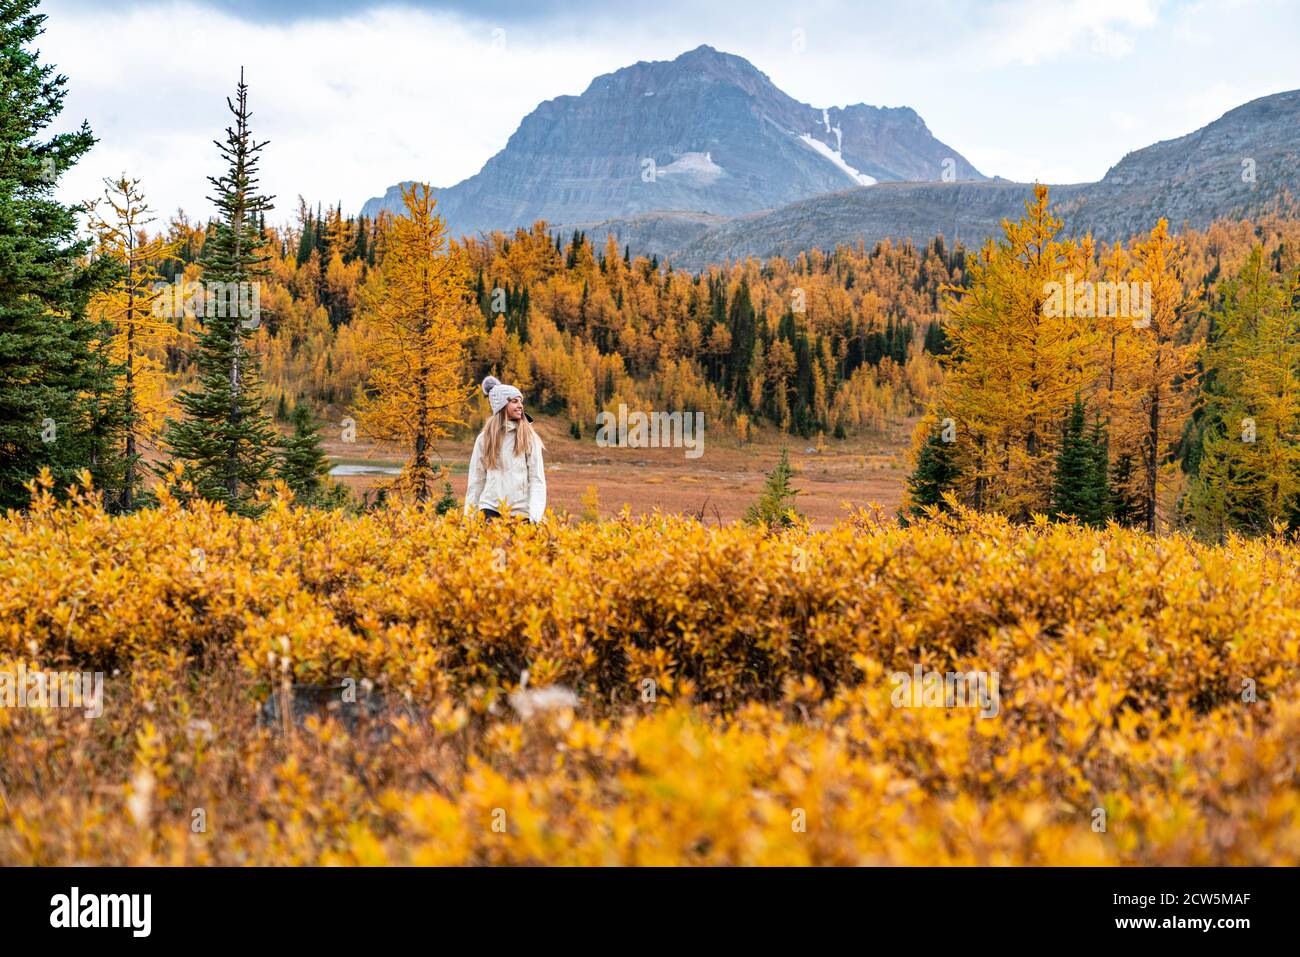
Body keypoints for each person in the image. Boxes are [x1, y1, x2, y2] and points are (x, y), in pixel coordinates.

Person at [464, 376, 546, 522]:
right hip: (490, 510)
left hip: (521, 513)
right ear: (501, 406)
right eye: (514, 401)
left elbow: (537, 479)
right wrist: (469, 517)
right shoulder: (484, 439)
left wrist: (535, 517)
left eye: (521, 401)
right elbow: (476, 481)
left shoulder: (529, 438)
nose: (520, 405)